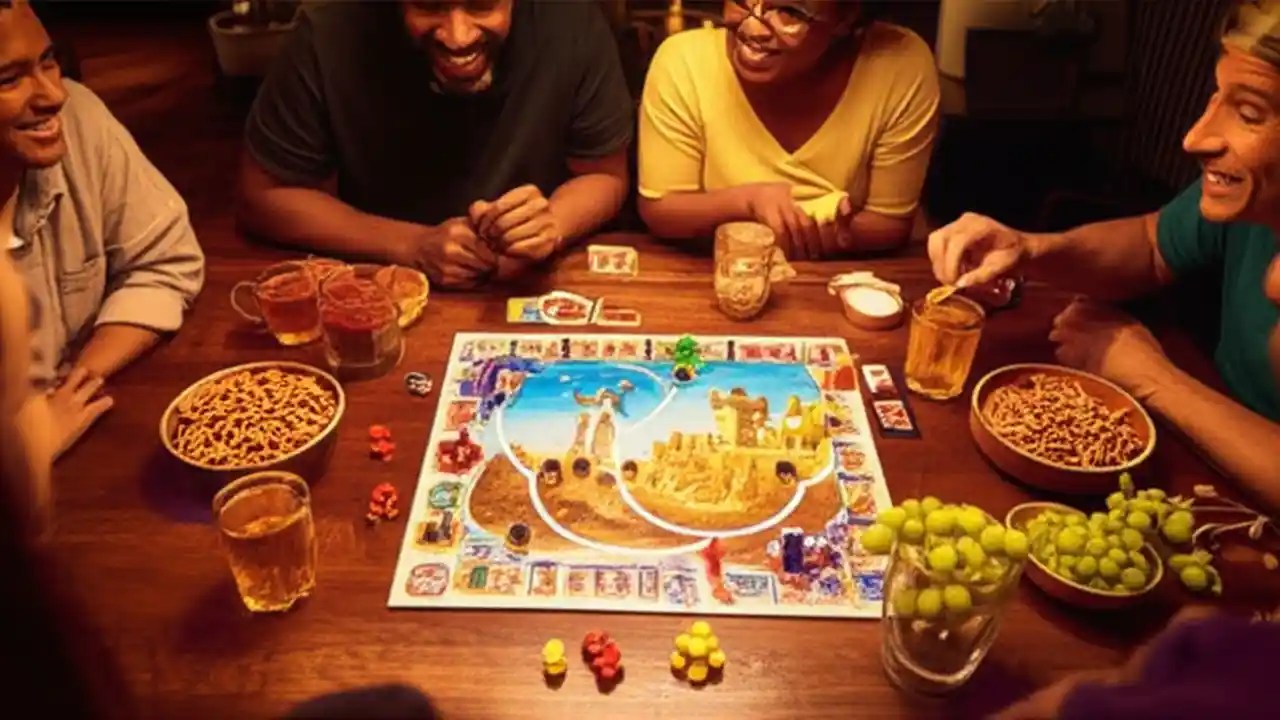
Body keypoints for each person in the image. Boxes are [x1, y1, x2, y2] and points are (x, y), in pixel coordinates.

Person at [928, 0, 1280, 509]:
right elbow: (1152, 245)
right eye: (1215, 97)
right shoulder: (1250, 202)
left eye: (1248, 113)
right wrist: (1028, 249)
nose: (1196, 138)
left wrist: (1153, 380)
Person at [238, 0, 633, 290]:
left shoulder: (573, 21)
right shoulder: (328, 31)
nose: (458, 36)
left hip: (527, 286)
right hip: (381, 285)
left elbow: (604, 174)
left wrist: (553, 223)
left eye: (481, 4)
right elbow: (264, 197)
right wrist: (411, 245)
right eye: (429, 5)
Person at [0, 0, 204, 459]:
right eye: (9, 79)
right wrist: (24, 448)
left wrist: (78, 382)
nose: (54, 94)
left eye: (48, 61)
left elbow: (165, 259)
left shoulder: (77, 122)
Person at [637, 0, 939, 259]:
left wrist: (803, 231)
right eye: (743, 1)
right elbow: (662, 209)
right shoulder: (685, 62)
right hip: (717, 277)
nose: (752, 29)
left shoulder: (899, 66)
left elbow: (888, 223)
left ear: (846, 16)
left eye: (789, 12)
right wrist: (749, 201)